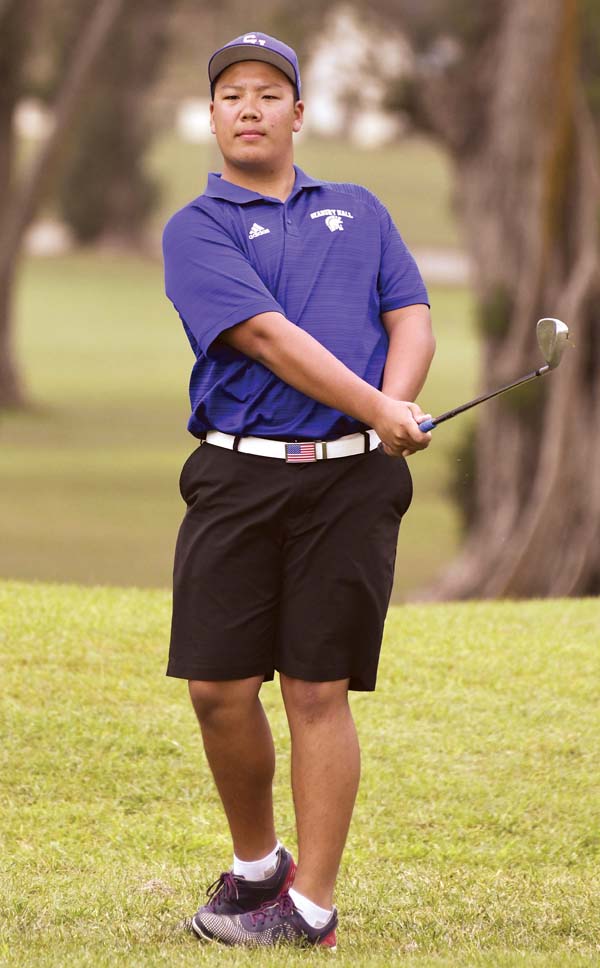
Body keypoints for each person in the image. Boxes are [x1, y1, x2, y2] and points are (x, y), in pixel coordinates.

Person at [162, 31, 435, 950]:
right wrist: (380, 405)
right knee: (217, 686)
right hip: (238, 471)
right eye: (232, 95)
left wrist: (393, 405)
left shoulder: (360, 209)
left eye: (269, 93)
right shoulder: (197, 227)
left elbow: (410, 313)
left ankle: (310, 906)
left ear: (299, 113)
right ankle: (257, 866)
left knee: (318, 690)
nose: (250, 108)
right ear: (212, 116)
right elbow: (267, 338)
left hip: (351, 480)